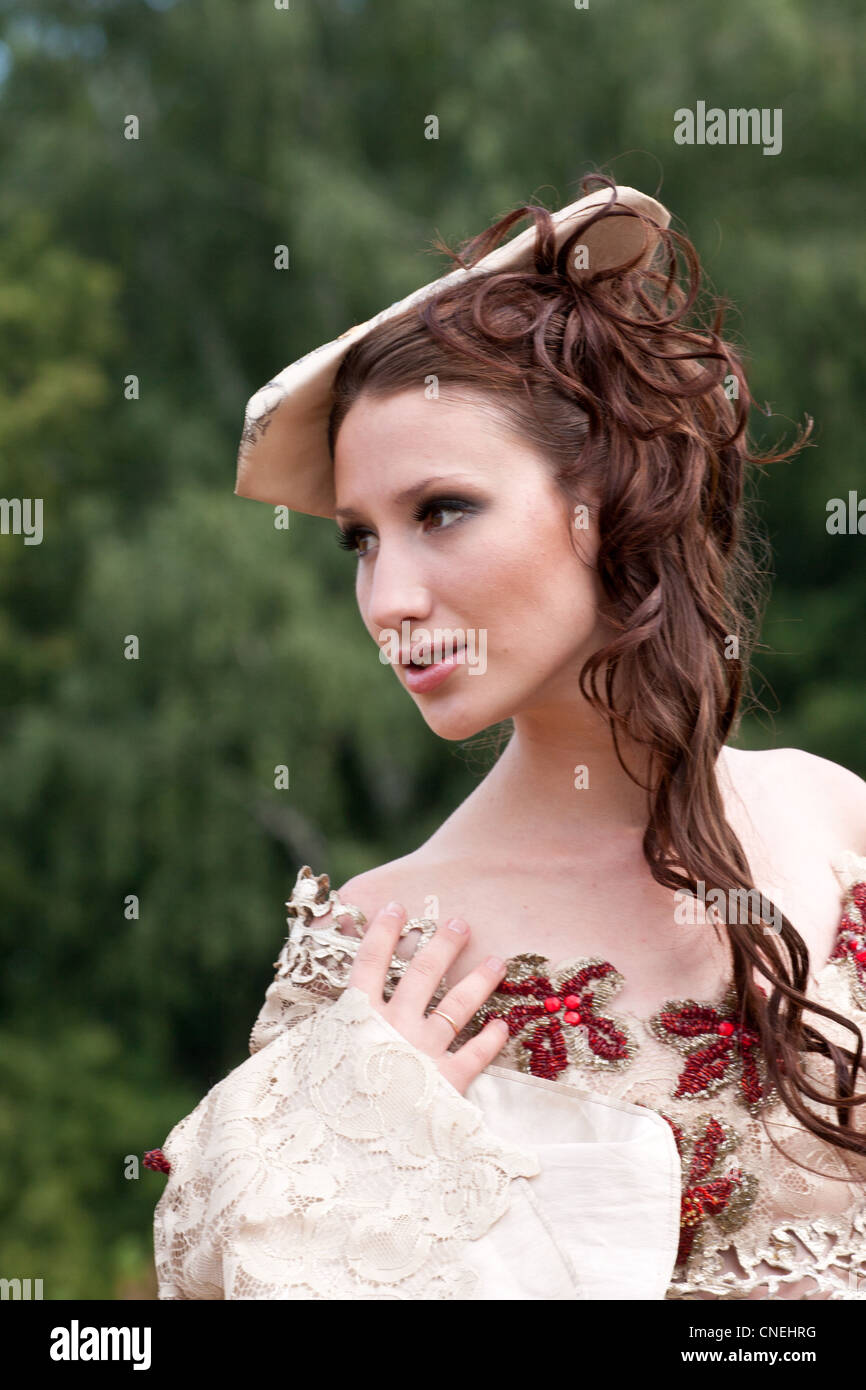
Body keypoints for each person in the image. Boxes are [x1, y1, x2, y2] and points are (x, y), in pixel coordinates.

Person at [148, 175, 866, 1300]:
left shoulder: (832, 813)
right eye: (358, 543)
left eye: (439, 511)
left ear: (610, 493)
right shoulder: (383, 951)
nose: (387, 597)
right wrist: (347, 1198)